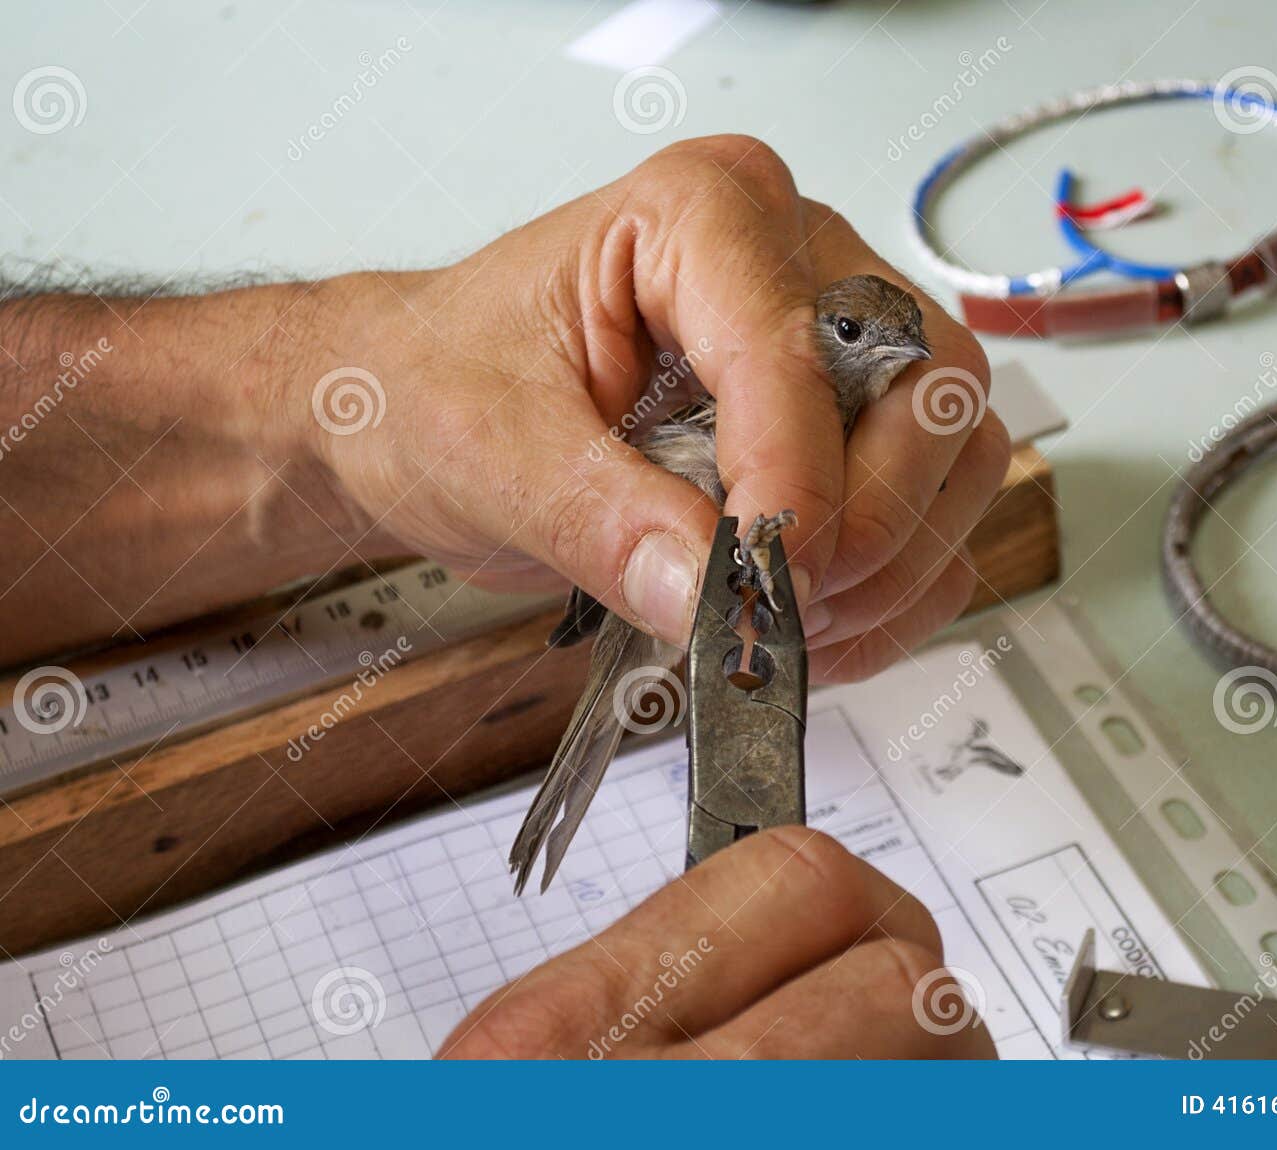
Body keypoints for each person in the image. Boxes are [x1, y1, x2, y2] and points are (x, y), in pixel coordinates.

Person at [0, 135, 1007, 1058]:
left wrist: (318, 406)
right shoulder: (751, 394)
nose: (892, 356)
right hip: (676, 551)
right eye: (854, 333)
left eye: (900, 339)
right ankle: (560, 808)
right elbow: (665, 454)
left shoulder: (843, 406)